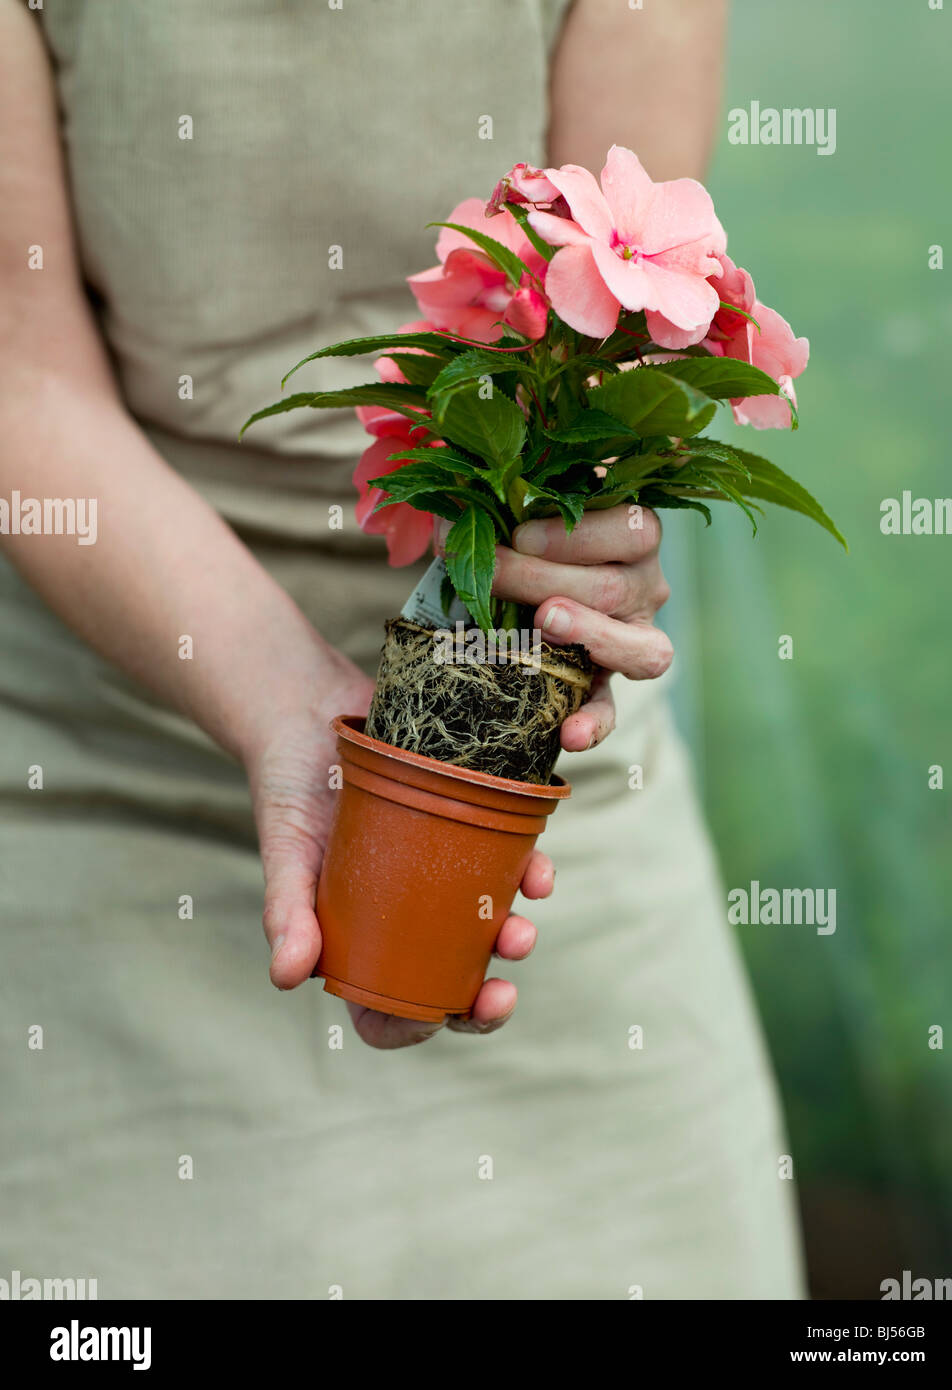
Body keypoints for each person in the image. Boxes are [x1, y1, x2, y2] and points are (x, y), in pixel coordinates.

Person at [0, 0, 804, 1298]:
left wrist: (589, 534)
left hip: (523, 765)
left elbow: (630, 319)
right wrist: (282, 705)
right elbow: (17, 371)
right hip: (102, 762)